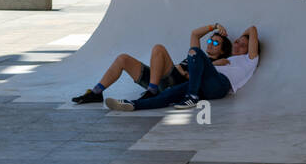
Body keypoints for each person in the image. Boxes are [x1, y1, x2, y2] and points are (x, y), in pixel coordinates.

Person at [103, 23, 260, 112]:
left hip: (220, 84)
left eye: (243, 44)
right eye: (237, 41)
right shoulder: (227, 59)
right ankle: (132, 104)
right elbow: (195, 36)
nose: (238, 44)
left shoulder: (249, 60)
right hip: (204, 85)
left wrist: (243, 37)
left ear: (251, 49)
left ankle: (191, 97)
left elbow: (252, 29)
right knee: (168, 95)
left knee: (195, 52)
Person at [72, 22, 237, 105]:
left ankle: (152, 91)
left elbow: (214, 72)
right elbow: (195, 34)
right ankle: (96, 92)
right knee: (123, 59)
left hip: (176, 81)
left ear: (222, 51)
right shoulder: (197, 52)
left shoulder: (219, 61)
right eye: (210, 40)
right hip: (161, 78)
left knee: (159, 48)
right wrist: (214, 26)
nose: (209, 44)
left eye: (215, 43)